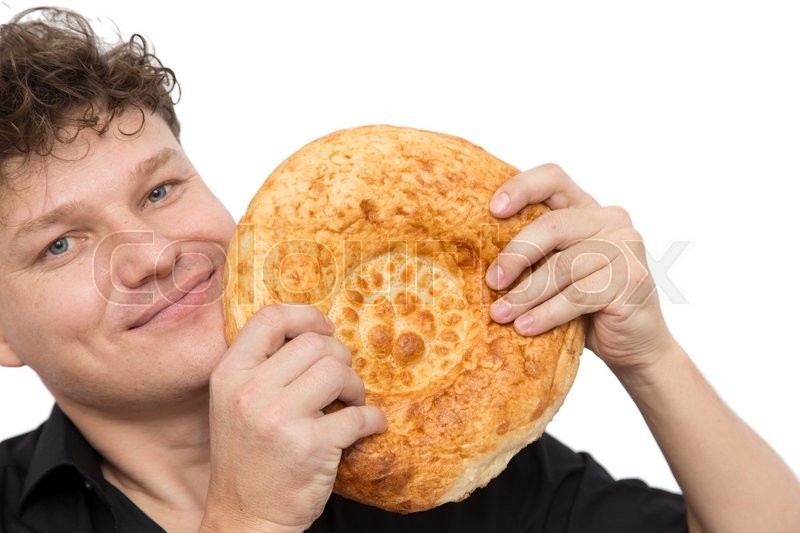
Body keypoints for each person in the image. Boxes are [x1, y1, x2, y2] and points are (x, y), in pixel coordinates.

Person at [0, 6, 797, 533]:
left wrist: (651, 359)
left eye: (162, 188)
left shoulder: (425, 446)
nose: (154, 253)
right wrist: (248, 518)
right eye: (59, 244)